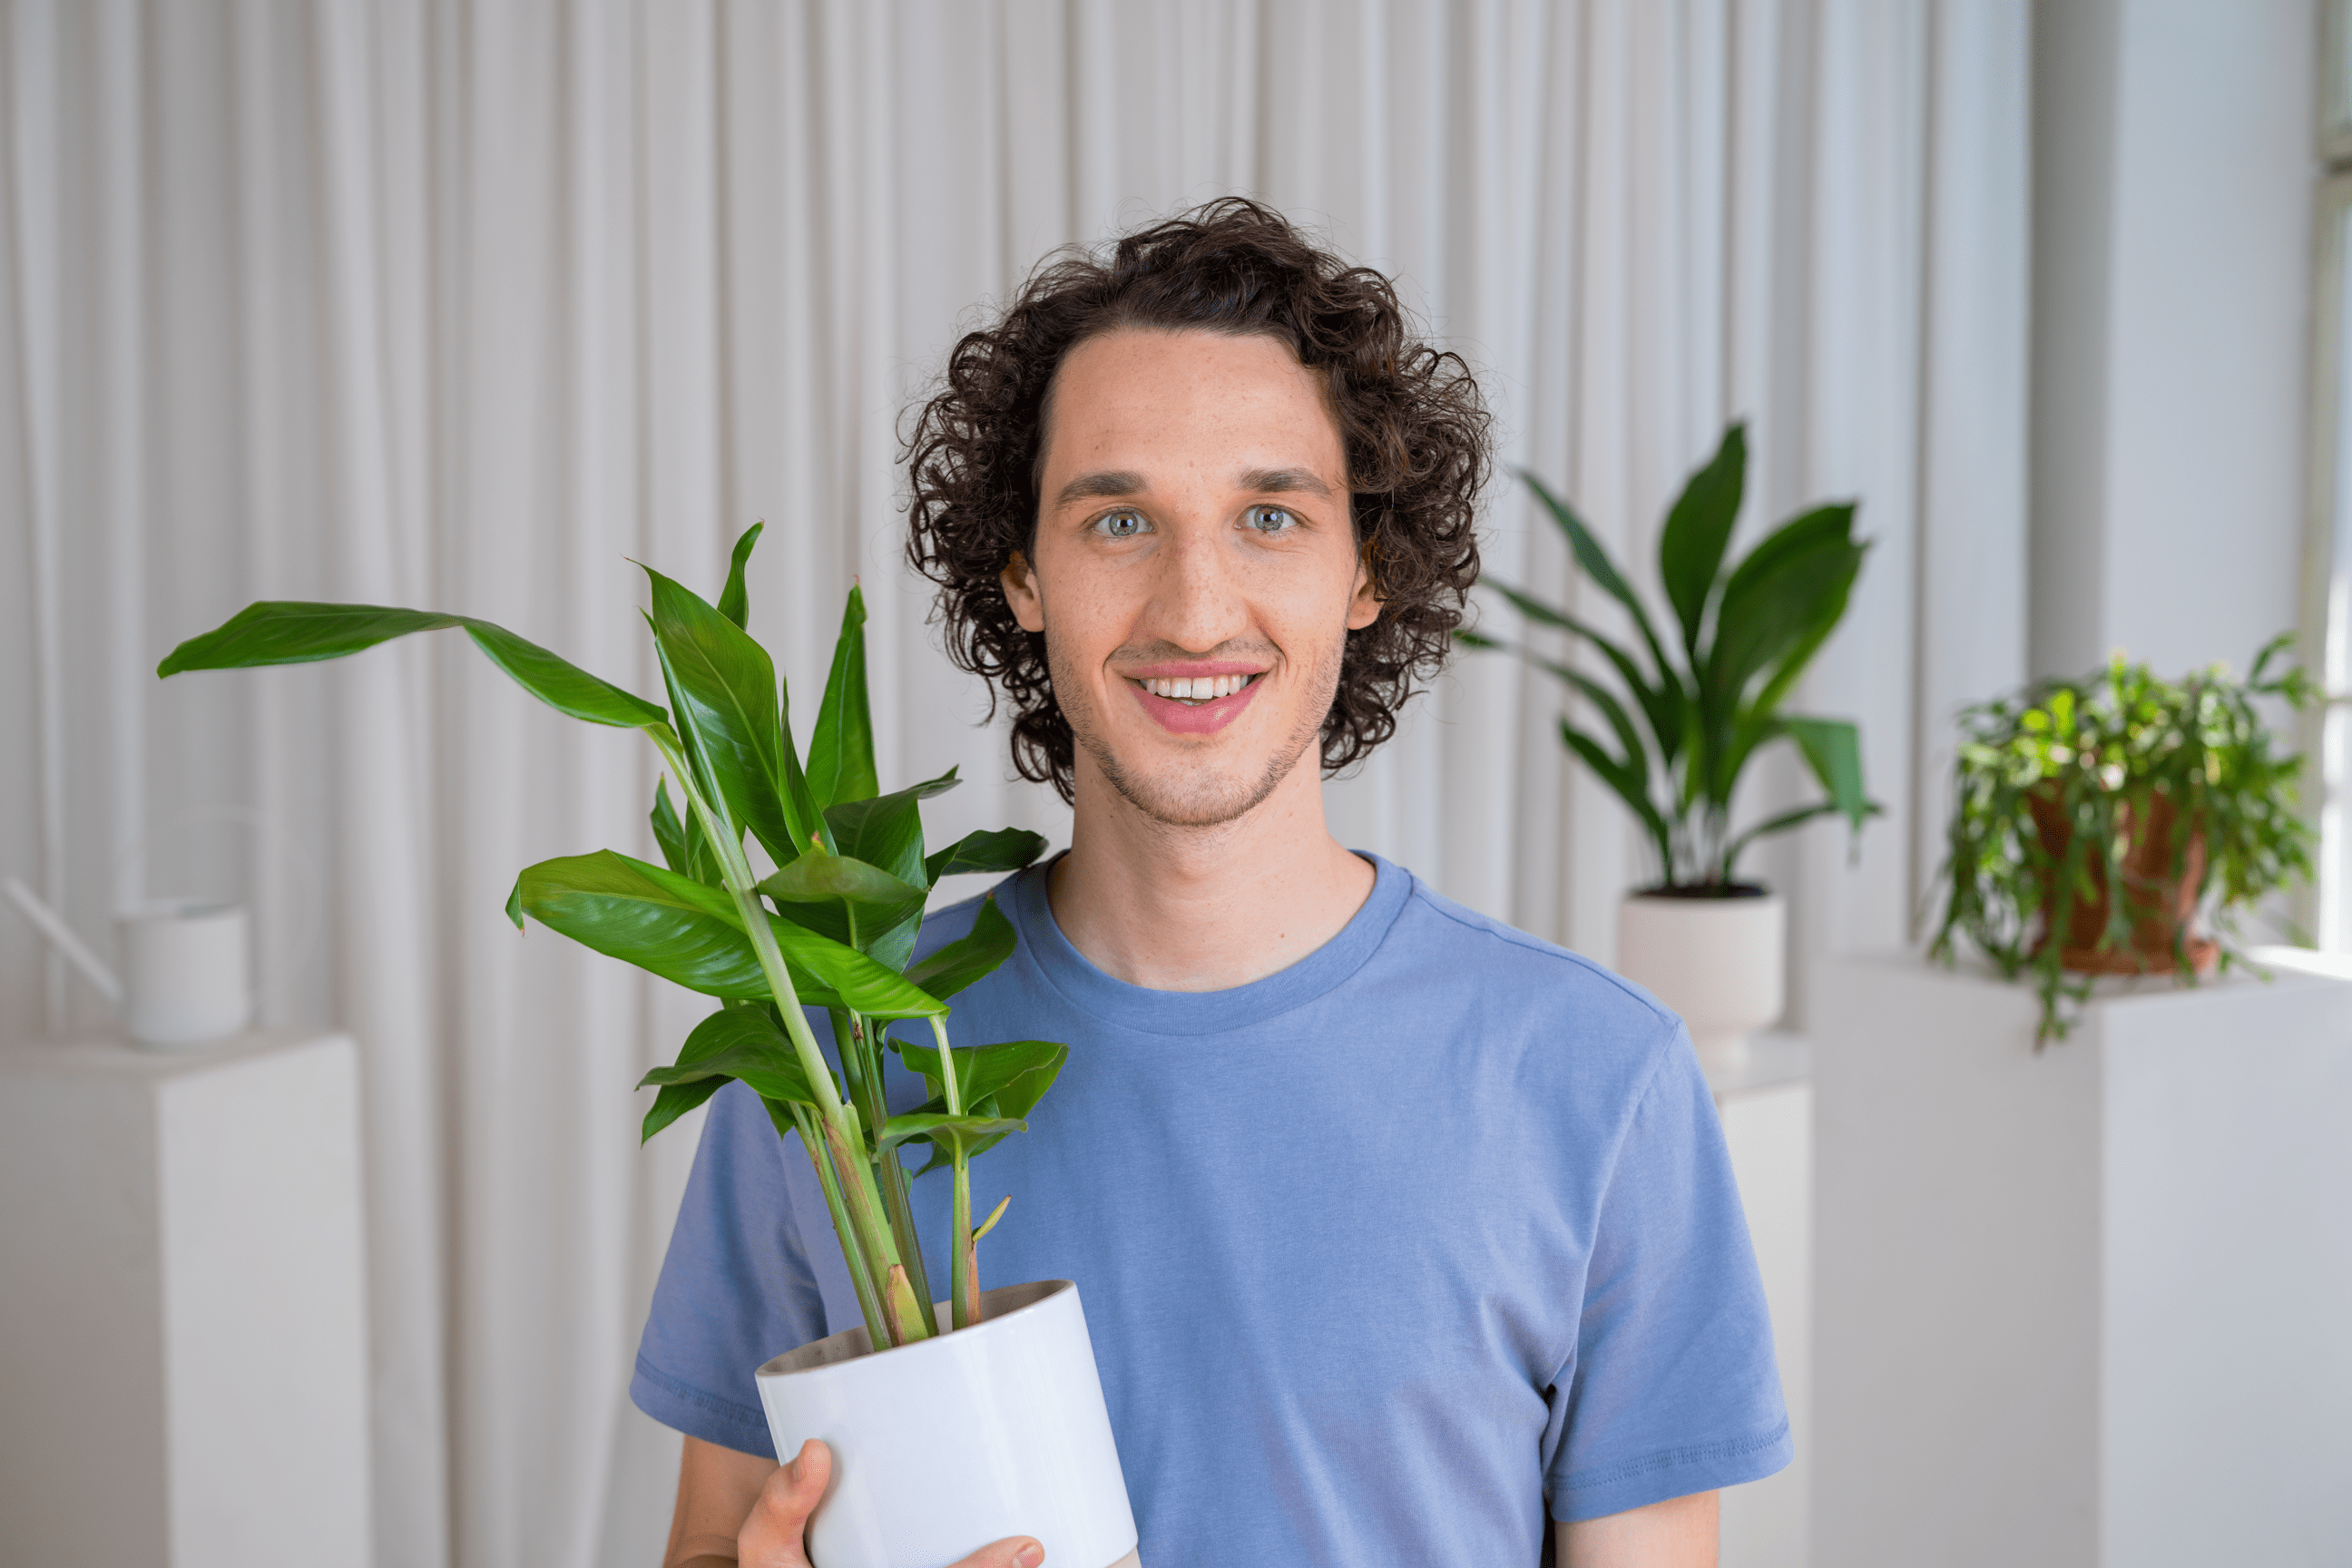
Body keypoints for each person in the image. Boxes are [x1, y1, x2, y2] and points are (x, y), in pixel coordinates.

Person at [635, 199, 1788, 1568]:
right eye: (1120, 520)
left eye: (1270, 517)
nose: (1194, 610)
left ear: (1366, 570)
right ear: (1023, 575)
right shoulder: (822, 1059)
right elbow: (711, 1540)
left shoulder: (1599, 1079)